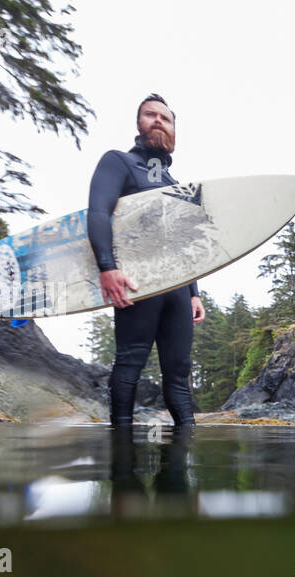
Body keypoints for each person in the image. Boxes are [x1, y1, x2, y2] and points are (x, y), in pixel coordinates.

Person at [88, 93, 205, 428]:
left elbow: (185, 243)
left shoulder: (176, 186)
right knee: (129, 365)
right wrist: (107, 268)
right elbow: (99, 212)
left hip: (178, 290)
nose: (158, 121)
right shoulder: (119, 162)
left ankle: (184, 456)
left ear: (173, 131)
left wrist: (194, 292)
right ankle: (121, 457)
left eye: (165, 118)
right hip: (137, 282)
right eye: (150, 115)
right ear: (138, 124)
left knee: (179, 373)